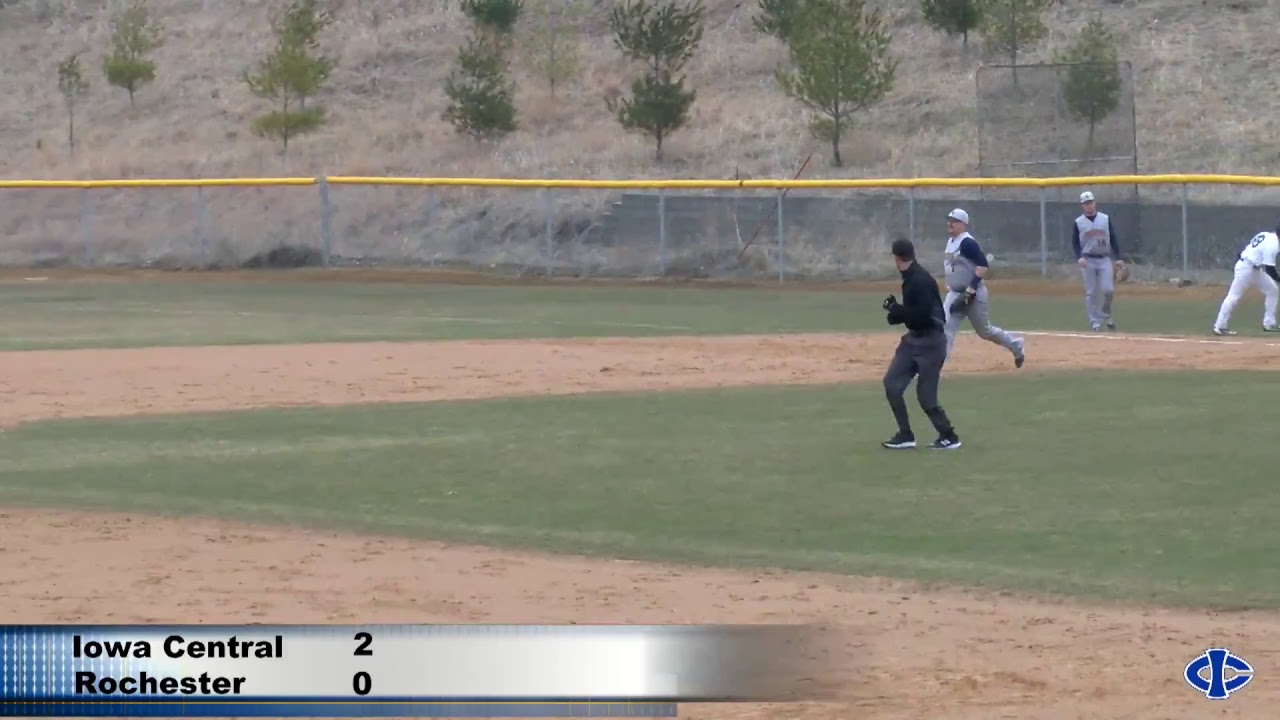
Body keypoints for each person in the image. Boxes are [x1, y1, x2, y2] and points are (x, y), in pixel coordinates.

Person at [881, 238, 962, 450]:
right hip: (914, 340)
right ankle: (905, 434)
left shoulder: (920, 280)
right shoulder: (910, 278)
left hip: (931, 342)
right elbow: (914, 315)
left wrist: (899, 312)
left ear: (897, 259)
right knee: (892, 384)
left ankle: (949, 436)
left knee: (926, 398)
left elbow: (924, 317)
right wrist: (897, 313)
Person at [941, 208, 1025, 367]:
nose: (950, 223)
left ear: (963, 224)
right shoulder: (951, 242)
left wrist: (970, 289)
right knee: (945, 327)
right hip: (954, 293)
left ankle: (1016, 346)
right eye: (949, 220)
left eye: (954, 221)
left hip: (974, 294)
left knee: (985, 331)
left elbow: (983, 266)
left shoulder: (967, 243)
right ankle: (935, 368)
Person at [1072, 191, 1126, 331]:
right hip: (1088, 259)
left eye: (1090, 202)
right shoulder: (1078, 222)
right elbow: (1075, 243)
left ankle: (1106, 315)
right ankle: (1094, 321)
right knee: (1091, 292)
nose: (1089, 205)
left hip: (1104, 258)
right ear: (1082, 206)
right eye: (1086, 203)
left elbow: (1113, 238)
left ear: (1094, 203)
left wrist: (1118, 257)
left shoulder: (1105, 219)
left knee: (1108, 290)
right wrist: (1079, 257)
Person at [1212, 227, 1280, 335]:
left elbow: (1246, 250)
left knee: (1273, 290)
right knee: (1234, 297)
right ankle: (1219, 326)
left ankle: (1269, 323)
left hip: (1254, 269)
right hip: (1246, 269)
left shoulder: (1266, 234)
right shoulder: (1273, 245)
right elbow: (1270, 269)